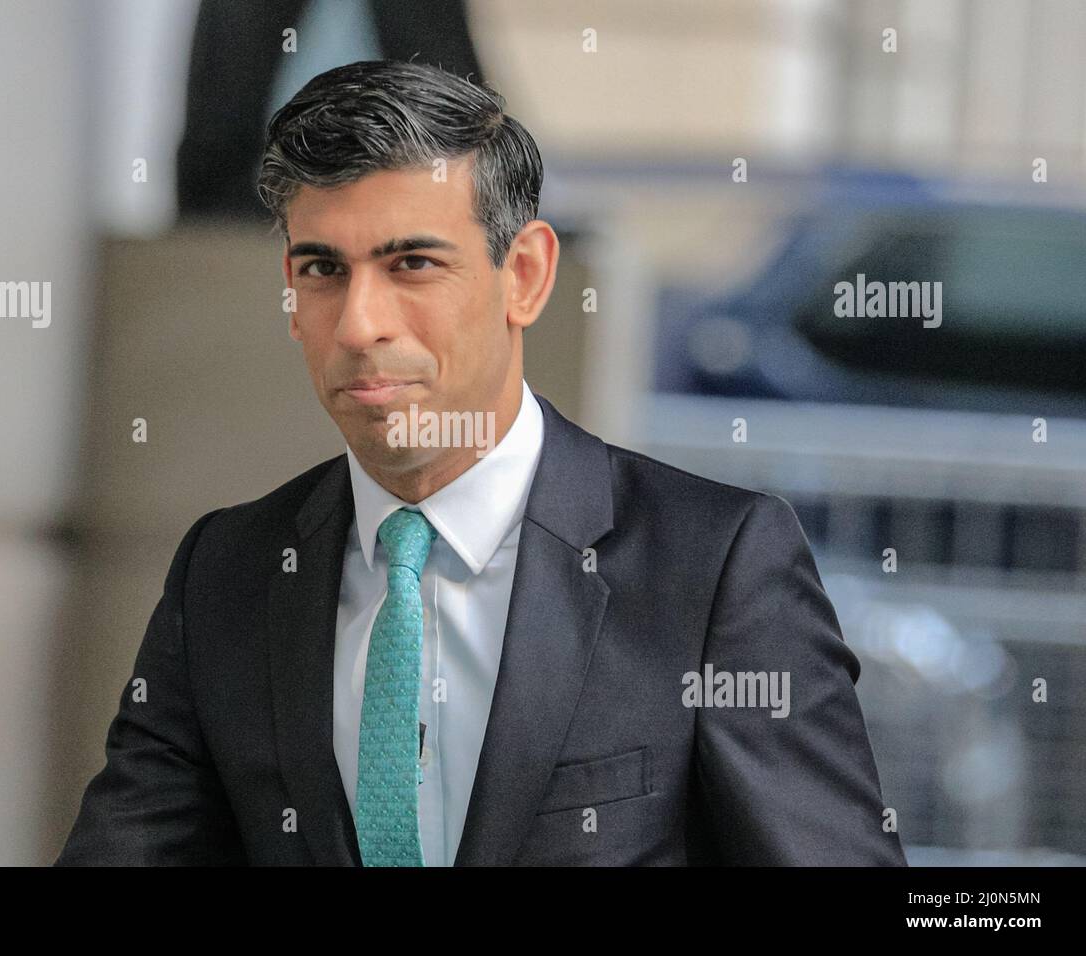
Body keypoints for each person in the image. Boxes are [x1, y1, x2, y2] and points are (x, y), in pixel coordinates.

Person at [57, 59, 907, 866]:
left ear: (526, 276)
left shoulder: (713, 569)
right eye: (323, 269)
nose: (359, 326)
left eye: (412, 264)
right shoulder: (227, 573)